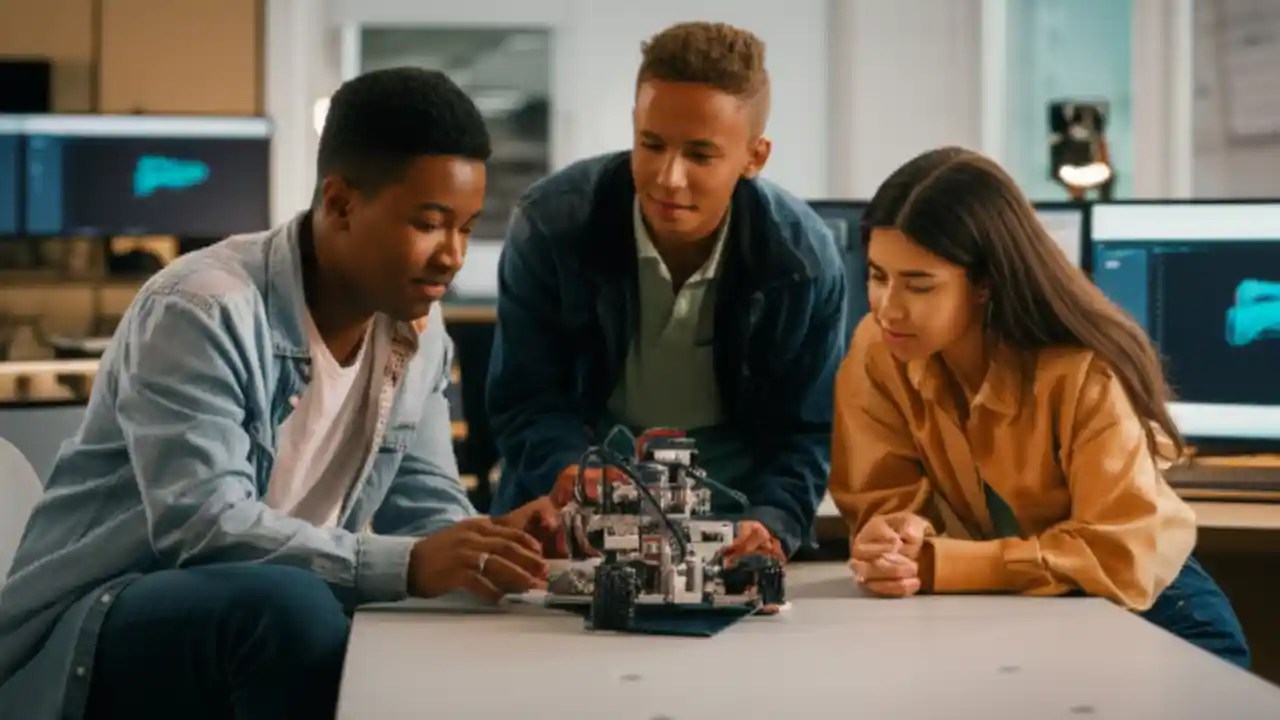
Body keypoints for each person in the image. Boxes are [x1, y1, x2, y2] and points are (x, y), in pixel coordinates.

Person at [0, 67, 559, 720]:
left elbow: (426, 514)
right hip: (94, 625)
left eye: (465, 227)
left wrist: (495, 547)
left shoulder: (418, 333)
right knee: (293, 610)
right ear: (342, 203)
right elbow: (202, 526)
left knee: (406, 624)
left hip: (253, 607)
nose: (453, 256)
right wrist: (410, 563)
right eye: (430, 224)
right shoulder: (203, 307)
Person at [828, 146, 1250, 668]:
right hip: (1005, 605)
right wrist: (893, 542)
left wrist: (944, 564)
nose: (888, 307)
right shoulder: (878, 349)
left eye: (919, 284)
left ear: (985, 283)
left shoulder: (1080, 372)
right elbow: (885, 508)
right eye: (877, 275)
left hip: (1152, 604)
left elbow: (1117, 556)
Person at [485, 21, 847, 561]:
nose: (668, 178)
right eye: (651, 144)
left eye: (701, 156)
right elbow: (525, 399)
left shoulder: (804, 261)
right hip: (568, 524)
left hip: (731, 529)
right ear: (633, 126)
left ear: (755, 157)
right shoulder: (552, 224)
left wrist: (770, 524)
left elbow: (809, 431)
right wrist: (568, 470)